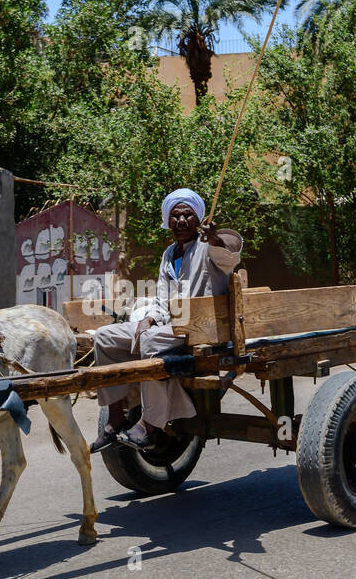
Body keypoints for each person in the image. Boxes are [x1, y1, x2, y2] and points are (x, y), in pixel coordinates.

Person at [89, 187, 243, 453]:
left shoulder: (208, 248)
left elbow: (231, 252)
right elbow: (161, 300)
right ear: (167, 221)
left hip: (204, 328)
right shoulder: (169, 254)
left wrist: (215, 238)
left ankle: (150, 424)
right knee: (105, 336)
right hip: (172, 326)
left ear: (198, 220)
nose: (181, 221)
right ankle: (115, 416)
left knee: (149, 340)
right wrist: (149, 318)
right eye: (175, 216)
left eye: (188, 215)